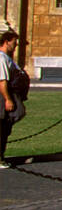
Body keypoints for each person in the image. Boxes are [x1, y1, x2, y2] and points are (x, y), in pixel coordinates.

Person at [0, 30, 28, 168]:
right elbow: (2, 82)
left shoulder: (6, 57)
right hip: (3, 96)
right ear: (6, 42)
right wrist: (8, 99)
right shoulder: (1, 59)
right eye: (14, 42)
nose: (16, 45)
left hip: (10, 95)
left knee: (7, 124)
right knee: (2, 126)